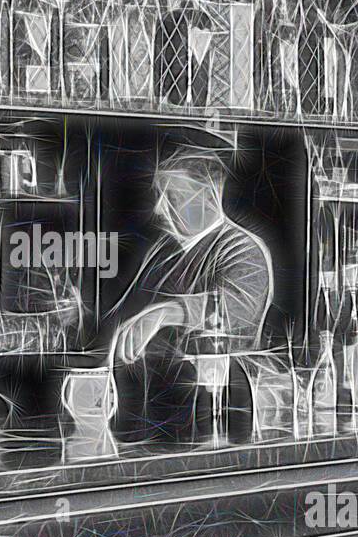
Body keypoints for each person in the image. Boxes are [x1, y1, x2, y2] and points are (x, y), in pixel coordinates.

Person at [109, 146, 272, 443]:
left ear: (209, 195)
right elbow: (123, 313)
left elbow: (234, 308)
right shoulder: (163, 252)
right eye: (159, 196)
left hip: (213, 418)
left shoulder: (242, 248)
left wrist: (166, 313)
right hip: (148, 420)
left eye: (172, 196)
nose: (159, 208)